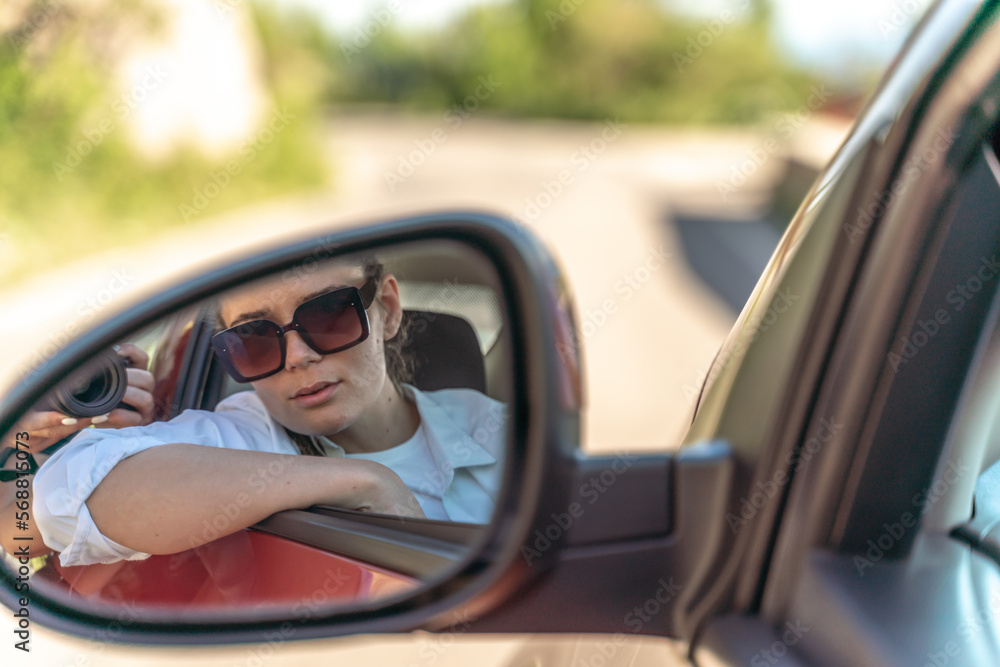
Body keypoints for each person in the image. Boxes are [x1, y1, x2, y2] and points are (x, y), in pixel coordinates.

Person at [25, 255, 506, 567]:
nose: (297, 356)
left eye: (328, 315)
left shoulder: (500, 431)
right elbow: (51, 502)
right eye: (255, 339)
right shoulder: (250, 438)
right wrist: (365, 481)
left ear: (387, 308)